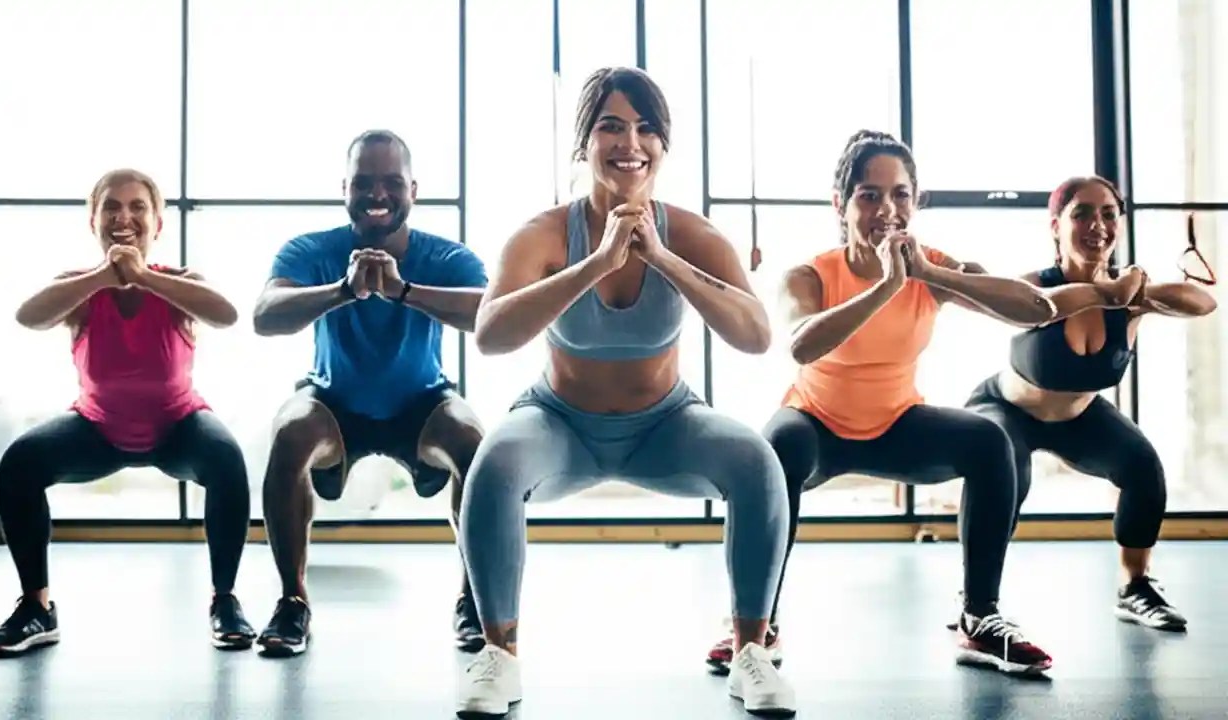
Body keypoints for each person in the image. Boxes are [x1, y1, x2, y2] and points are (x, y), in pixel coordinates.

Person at [702, 131, 1147, 678]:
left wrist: (931, 277)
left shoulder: (932, 265)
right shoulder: (809, 275)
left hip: (896, 425)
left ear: (916, 202)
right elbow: (801, 343)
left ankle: (979, 619)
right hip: (815, 426)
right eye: (869, 195)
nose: (887, 210)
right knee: (774, 451)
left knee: (989, 442)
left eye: (901, 195)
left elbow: (1032, 309)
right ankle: (754, 625)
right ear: (841, 205)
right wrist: (887, 287)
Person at [454, 66, 796, 717]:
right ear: (584, 142)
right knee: (493, 465)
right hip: (559, 425)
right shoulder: (545, 234)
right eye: (610, 125)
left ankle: (751, 650)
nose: (629, 142)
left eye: (645, 127)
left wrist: (663, 258)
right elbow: (491, 333)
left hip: (666, 424)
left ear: (663, 145)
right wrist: (597, 264)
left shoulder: (692, 233)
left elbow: (754, 335)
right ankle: (500, 655)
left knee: (757, 462)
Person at [0, 169, 255, 656]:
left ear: (157, 223)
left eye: (137, 207)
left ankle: (225, 600)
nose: (123, 217)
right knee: (19, 463)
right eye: (111, 207)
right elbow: (29, 316)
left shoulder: (179, 284)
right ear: (94, 220)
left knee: (227, 461)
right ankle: (36, 608)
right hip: (96, 428)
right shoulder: (81, 289)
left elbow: (226, 314)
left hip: (178, 426)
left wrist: (144, 277)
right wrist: (108, 276)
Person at [252, 129, 489, 657]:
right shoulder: (312, 250)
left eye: (391, 182)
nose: (377, 195)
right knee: (290, 431)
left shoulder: (446, 256)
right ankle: (293, 601)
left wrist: (402, 291)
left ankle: (474, 598)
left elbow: (488, 316)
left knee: (474, 440)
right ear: (344, 189)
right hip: (333, 405)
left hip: (423, 405)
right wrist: (344, 290)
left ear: (413, 190)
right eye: (363, 183)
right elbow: (265, 317)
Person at [964, 175, 1217, 633]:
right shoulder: (1034, 288)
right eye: (1081, 213)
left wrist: (1141, 289)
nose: (1096, 224)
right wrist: (1108, 292)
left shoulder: (1130, 300)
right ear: (1056, 225)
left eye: (1108, 214)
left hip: (1080, 417)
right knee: (1004, 473)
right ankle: (977, 603)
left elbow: (1203, 302)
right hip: (1008, 409)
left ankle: (1134, 587)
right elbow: (998, 303)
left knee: (1143, 468)